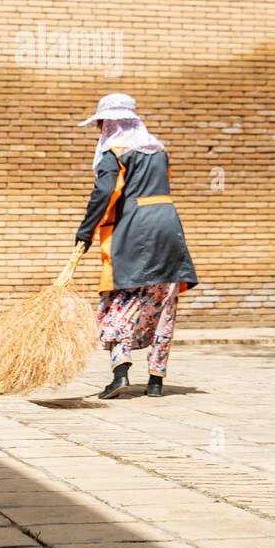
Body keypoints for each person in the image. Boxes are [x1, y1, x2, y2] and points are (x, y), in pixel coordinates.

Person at [75, 92, 197, 399]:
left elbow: (105, 193)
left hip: (134, 230)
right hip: (168, 226)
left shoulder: (113, 153)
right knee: (164, 302)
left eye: (100, 122)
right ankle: (156, 381)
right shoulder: (158, 150)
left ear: (108, 123)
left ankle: (120, 371)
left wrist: (85, 231)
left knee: (122, 301)